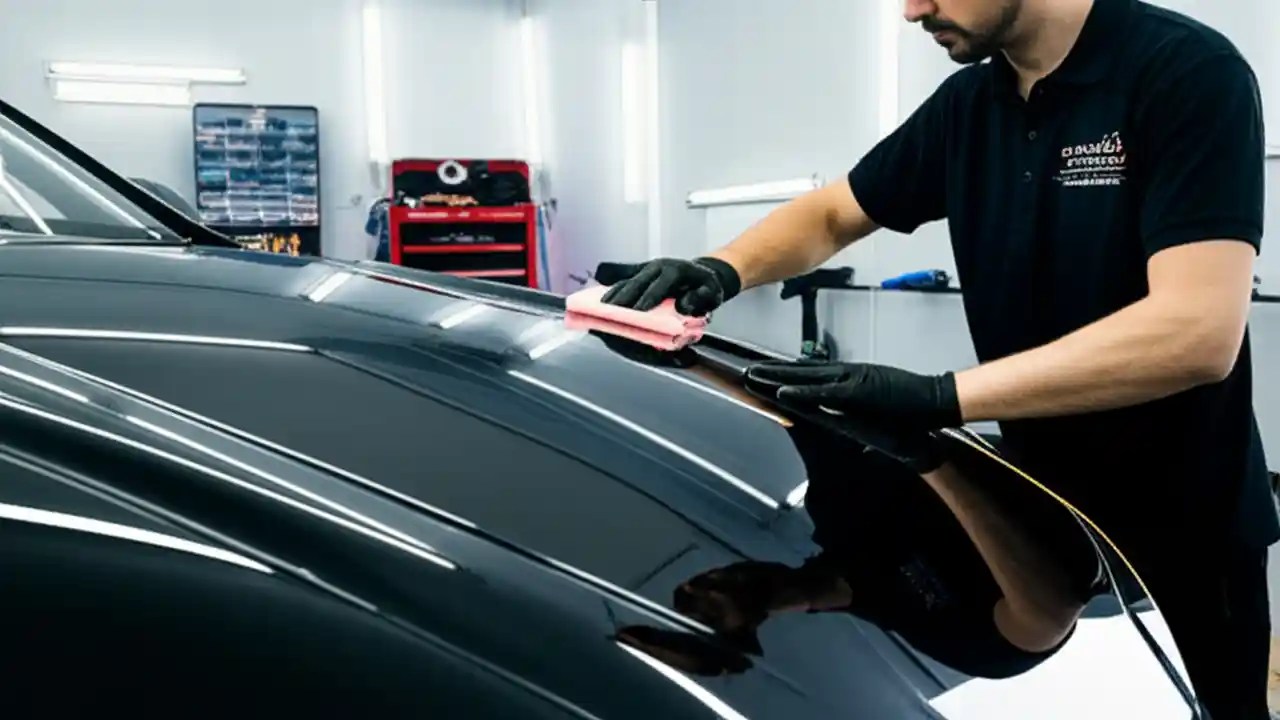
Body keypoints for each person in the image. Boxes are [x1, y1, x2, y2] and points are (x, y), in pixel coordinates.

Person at [595, 0, 1278, 716]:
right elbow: (834, 213)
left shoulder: (1184, 73)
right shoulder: (971, 105)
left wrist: (939, 397)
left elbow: (1196, 333)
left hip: (1183, 528)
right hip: (1033, 505)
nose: (913, 10)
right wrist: (720, 269)